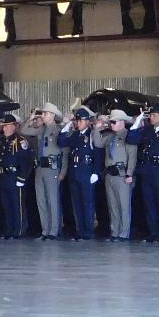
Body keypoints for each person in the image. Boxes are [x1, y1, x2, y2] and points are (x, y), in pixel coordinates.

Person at [127, 104, 159, 242]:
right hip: (147, 170)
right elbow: (131, 139)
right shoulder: (147, 130)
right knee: (149, 203)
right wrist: (137, 122)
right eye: (150, 115)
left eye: (154, 115)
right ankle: (153, 232)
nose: (151, 117)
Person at [59, 107, 104, 241]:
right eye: (77, 120)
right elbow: (61, 141)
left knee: (87, 203)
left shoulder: (92, 134)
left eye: (80, 120)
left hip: (86, 171)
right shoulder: (75, 135)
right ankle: (80, 230)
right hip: (75, 172)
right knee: (76, 203)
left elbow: (98, 153)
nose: (78, 123)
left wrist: (96, 172)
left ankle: (88, 231)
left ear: (87, 121)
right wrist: (67, 125)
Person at [27, 103, 67, 240]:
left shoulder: (58, 130)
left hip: (52, 168)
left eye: (45, 113)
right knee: (41, 200)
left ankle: (53, 231)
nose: (42, 116)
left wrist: (63, 171)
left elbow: (65, 152)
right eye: (42, 113)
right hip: (40, 168)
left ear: (53, 115)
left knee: (52, 200)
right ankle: (45, 230)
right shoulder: (40, 129)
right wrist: (31, 118)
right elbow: (24, 130)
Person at [0, 116, 34, 239]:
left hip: (15, 176)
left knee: (17, 205)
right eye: (4, 126)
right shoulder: (0, 140)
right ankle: (9, 230)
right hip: (3, 176)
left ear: (14, 126)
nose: (5, 128)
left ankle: (19, 230)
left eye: (7, 126)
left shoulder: (20, 141)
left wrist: (22, 178)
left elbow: (27, 161)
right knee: (6, 206)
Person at [101, 109, 138, 241]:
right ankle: (114, 231)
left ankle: (124, 233)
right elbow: (97, 142)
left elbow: (132, 156)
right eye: (110, 122)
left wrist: (129, 174)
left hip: (122, 175)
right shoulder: (109, 137)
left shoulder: (128, 136)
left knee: (124, 205)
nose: (111, 124)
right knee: (113, 205)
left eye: (114, 122)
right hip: (110, 174)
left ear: (122, 122)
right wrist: (98, 127)